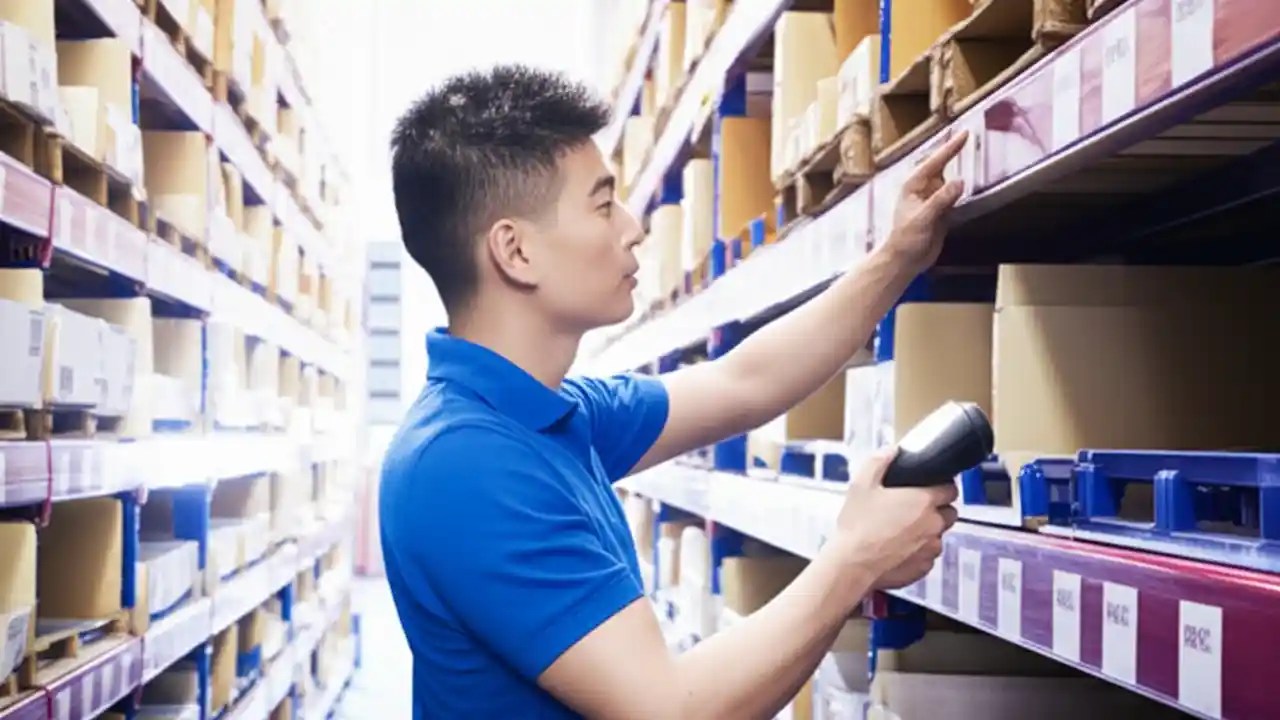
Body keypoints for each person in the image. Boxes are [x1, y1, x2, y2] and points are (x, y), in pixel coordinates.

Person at [379, 64, 966, 719]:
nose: (633, 227)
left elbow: (746, 382)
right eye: (603, 204)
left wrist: (896, 258)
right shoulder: (466, 465)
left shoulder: (551, 414)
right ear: (515, 252)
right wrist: (855, 558)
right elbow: (670, 711)